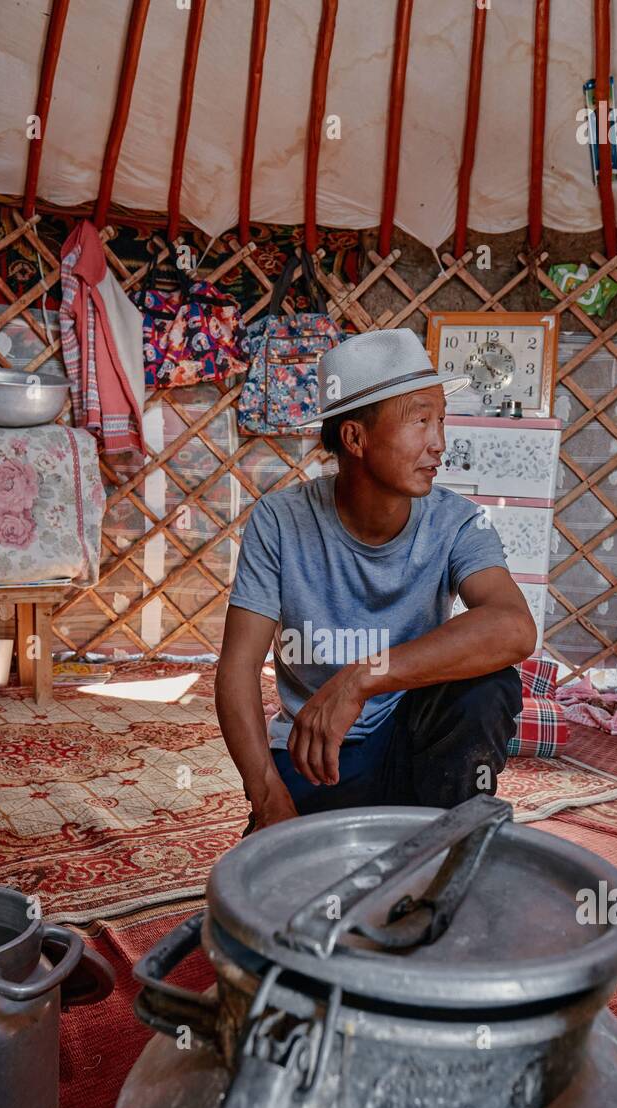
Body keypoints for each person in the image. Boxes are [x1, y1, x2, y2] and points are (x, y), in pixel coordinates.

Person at [215, 328, 537, 833]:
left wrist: (362, 678)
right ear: (356, 438)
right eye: (421, 422)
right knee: (282, 900)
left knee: (487, 685)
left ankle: (450, 842)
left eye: (442, 421)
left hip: (416, 756)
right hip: (315, 759)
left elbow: (513, 627)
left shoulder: (459, 523)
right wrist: (268, 799)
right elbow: (236, 668)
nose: (440, 445)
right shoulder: (279, 521)